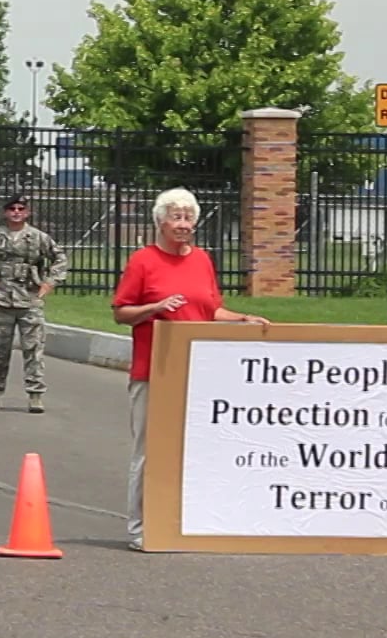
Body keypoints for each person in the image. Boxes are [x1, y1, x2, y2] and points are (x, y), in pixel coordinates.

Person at [112, 186, 269, 551]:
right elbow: (122, 312)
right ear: (160, 222)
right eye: (176, 217)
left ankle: (188, 521)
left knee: (194, 448)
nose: (183, 224)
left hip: (196, 372)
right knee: (149, 449)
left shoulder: (202, 260)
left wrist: (242, 318)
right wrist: (155, 308)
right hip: (154, 369)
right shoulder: (143, 261)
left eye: (188, 217)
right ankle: (140, 527)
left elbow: (210, 310)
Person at [0, 195, 70, 413]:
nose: (16, 212)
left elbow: (60, 258)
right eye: (12, 208)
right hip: (3, 301)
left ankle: (35, 394)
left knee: (34, 349)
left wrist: (50, 283)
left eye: (21, 208)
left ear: (27, 212)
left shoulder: (37, 237)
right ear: (5, 212)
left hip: (30, 300)